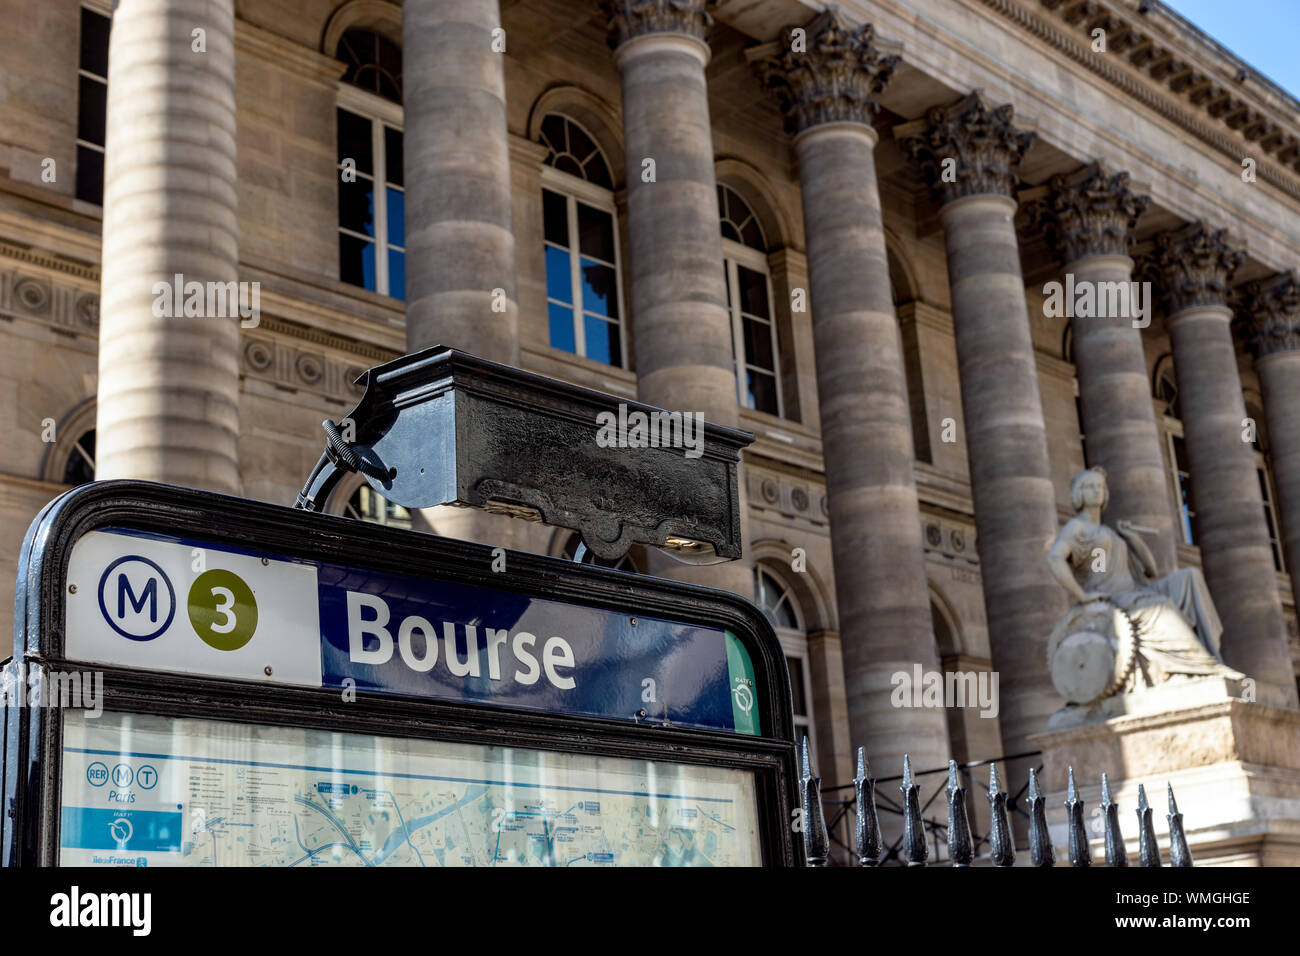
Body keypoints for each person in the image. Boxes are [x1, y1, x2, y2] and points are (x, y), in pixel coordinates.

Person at [1046, 467, 1238, 682]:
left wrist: (1132, 538)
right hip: (1112, 597)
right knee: (1161, 607)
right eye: (1090, 486)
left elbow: (1151, 571)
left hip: (1134, 589)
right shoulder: (1078, 527)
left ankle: (1213, 654)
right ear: (1079, 493)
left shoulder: (1107, 532)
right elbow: (1058, 559)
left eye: (1100, 486)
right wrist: (1082, 595)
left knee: (1190, 576)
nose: (1097, 490)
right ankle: (1203, 667)